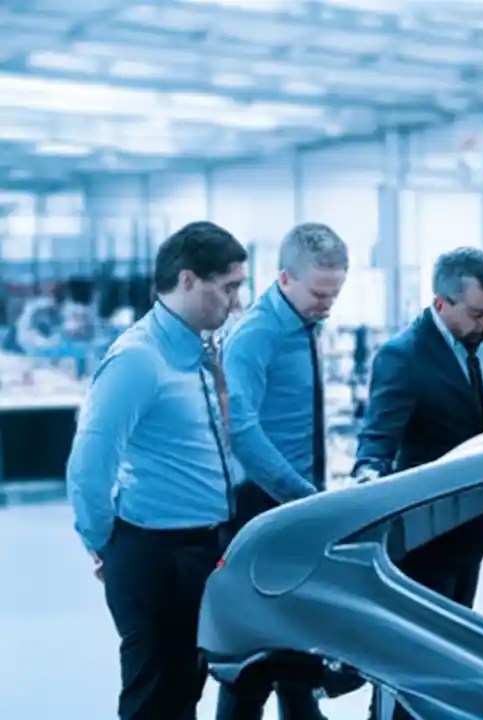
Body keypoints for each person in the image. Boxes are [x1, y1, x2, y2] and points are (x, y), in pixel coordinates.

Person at [65, 221, 249, 720]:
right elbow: (88, 465)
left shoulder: (195, 350)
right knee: (155, 701)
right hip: (154, 556)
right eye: (227, 288)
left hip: (200, 547)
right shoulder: (138, 360)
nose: (234, 303)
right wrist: (106, 543)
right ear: (188, 281)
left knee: (182, 690)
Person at [351, 247, 483, 720]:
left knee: (452, 662)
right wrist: (366, 478)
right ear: (441, 303)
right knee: (410, 666)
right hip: (423, 539)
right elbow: (378, 437)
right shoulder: (404, 357)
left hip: (474, 527)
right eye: (478, 313)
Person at [214, 223, 349, 720]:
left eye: (335, 293)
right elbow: (241, 430)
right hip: (261, 504)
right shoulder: (256, 335)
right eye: (319, 293)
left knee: (298, 638)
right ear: (285, 278)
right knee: (252, 650)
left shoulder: (305, 324)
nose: (328, 304)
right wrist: (301, 495)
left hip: (300, 502)